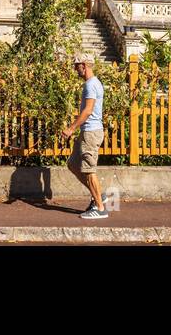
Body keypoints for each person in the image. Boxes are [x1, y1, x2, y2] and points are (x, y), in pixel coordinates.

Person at [61, 53, 107, 219]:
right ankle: (99, 195)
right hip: (87, 131)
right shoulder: (93, 83)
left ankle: (100, 208)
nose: (75, 69)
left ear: (84, 65)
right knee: (73, 164)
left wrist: (71, 128)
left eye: (77, 66)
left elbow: (88, 110)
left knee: (88, 169)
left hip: (91, 132)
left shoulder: (91, 84)